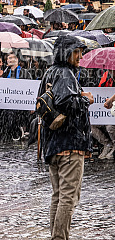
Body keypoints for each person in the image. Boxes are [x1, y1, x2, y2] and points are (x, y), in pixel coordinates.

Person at [38, 35, 93, 240]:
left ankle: (56, 236)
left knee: (58, 196)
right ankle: (59, 238)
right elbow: (67, 103)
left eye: (80, 52)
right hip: (69, 144)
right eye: (75, 52)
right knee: (68, 198)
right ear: (65, 54)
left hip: (53, 144)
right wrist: (85, 99)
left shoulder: (49, 73)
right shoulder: (66, 73)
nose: (79, 56)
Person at [93, 71, 115, 159]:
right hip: (106, 113)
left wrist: (111, 100)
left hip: (112, 113)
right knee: (92, 125)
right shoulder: (106, 76)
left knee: (110, 127)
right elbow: (100, 90)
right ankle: (107, 144)